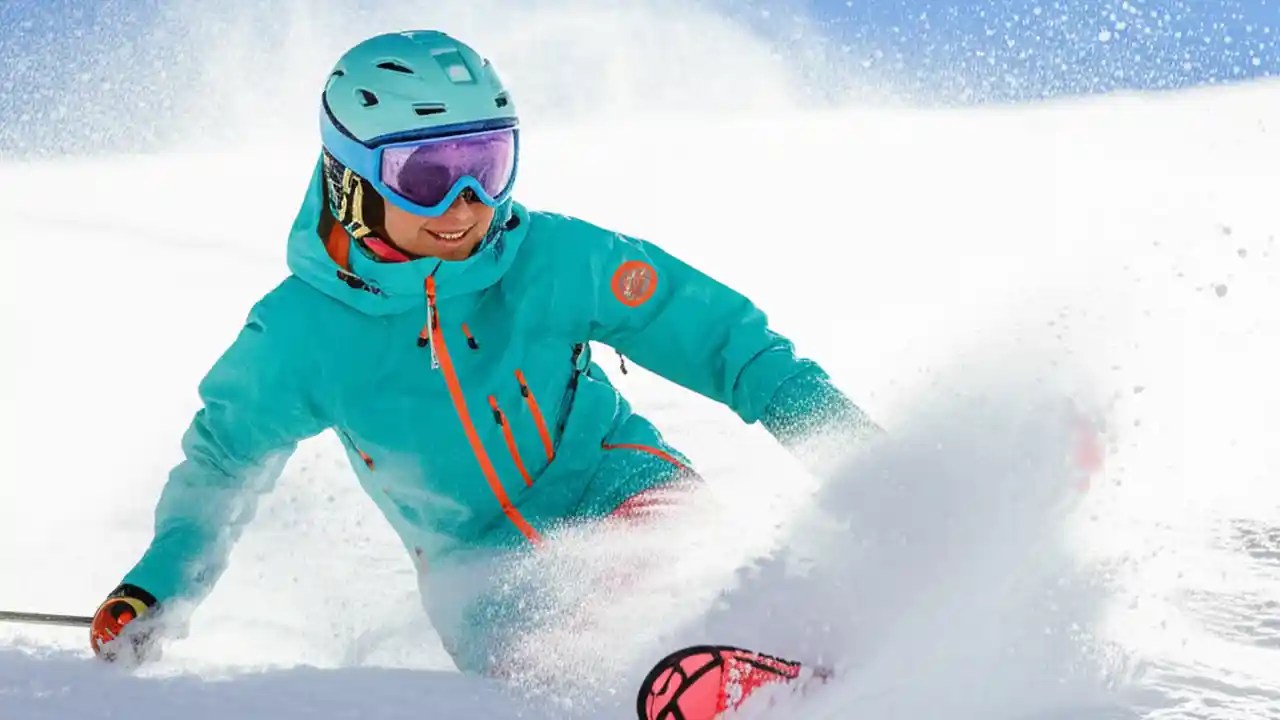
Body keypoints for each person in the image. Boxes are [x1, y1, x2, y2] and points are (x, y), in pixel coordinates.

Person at [88, 30, 877, 717]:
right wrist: (157, 587)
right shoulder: (302, 334)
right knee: (573, 660)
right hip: (483, 581)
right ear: (350, 179)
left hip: (617, 479)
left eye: (488, 163)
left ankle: (804, 664)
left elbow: (725, 341)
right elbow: (222, 463)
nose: (467, 203)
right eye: (428, 176)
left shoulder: (552, 259)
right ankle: (691, 691)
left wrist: (870, 467)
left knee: (688, 567)